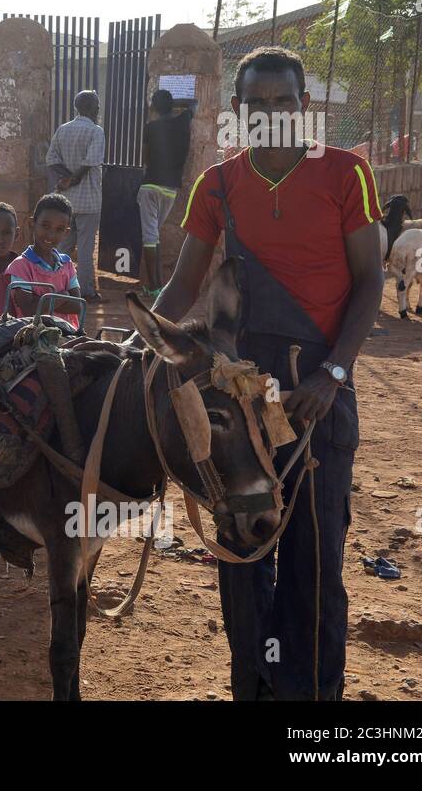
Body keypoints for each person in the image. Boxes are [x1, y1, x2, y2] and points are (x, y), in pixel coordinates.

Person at [158, 45, 385, 700]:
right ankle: (253, 690)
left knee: (316, 565)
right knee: (242, 556)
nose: (271, 114)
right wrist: (131, 343)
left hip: (320, 397)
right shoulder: (218, 184)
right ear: (238, 111)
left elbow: (369, 282)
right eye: (256, 103)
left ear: (304, 106)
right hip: (245, 405)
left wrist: (334, 372)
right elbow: (182, 285)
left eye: (284, 101)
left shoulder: (347, 174)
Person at [46, 90, 105, 301]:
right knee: (86, 249)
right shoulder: (96, 131)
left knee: (63, 246)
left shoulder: (63, 130)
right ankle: (86, 290)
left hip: (65, 200)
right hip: (89, 200)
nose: (98, 110)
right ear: (92, 109)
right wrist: (75, 178)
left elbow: (51, 159)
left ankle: (57, 286)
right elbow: (91, 161)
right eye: (97, 106)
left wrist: (66, 178)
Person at [138, 89, 194, 298]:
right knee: (155, 234)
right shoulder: (183, 120)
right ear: (171, 106)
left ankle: (154, 287)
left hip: (151, 184)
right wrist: (173, 103)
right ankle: (158, 283)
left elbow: (145, 158)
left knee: (149, 236)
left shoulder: (150, 127)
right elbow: (193, 104)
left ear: (153, 107)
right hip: (170, 188)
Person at [6, 194, 84, 331]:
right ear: (32, 224)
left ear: (66, 233)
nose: (51, 234)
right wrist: (64, 296)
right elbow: (29, 310)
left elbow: (78, 306)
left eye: (59, 229)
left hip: (67, 334)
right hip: (33, 339)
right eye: (45, 226)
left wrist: (42, 301)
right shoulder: (20, 267)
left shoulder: (66, 263)